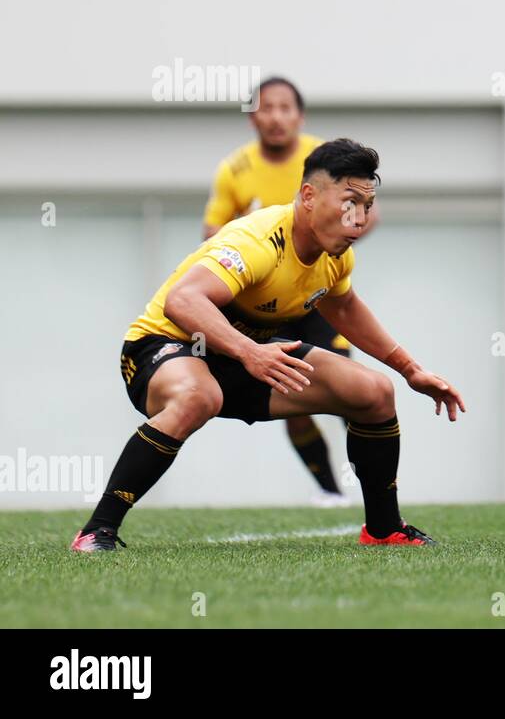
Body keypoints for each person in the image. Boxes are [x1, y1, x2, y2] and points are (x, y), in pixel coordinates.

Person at [72, 139, 465, 552]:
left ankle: (385, 529)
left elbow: (345, 307)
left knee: (374, 393)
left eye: (367, 206)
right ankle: (97, 530)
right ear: (309, 196)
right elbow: (183, 301)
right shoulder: (257, 241)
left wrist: (410, 369)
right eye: (350, 202)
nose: (359, 219)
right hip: (164, 346)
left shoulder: (335, 256)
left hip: (243, 353)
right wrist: (249, 352)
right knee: (198, 395)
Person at [203, 76, 356, 506]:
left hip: (314, 295)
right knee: (294, 393)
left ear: (299, 115)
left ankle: (374, 485)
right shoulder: (235, 169)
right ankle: (330, 492)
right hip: (265, 303)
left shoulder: (322, 159)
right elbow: (211, 233)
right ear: (253, 117)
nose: (276, 117)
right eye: (266, 108)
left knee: (349, 388)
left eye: (285, 108)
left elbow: (363, 212)